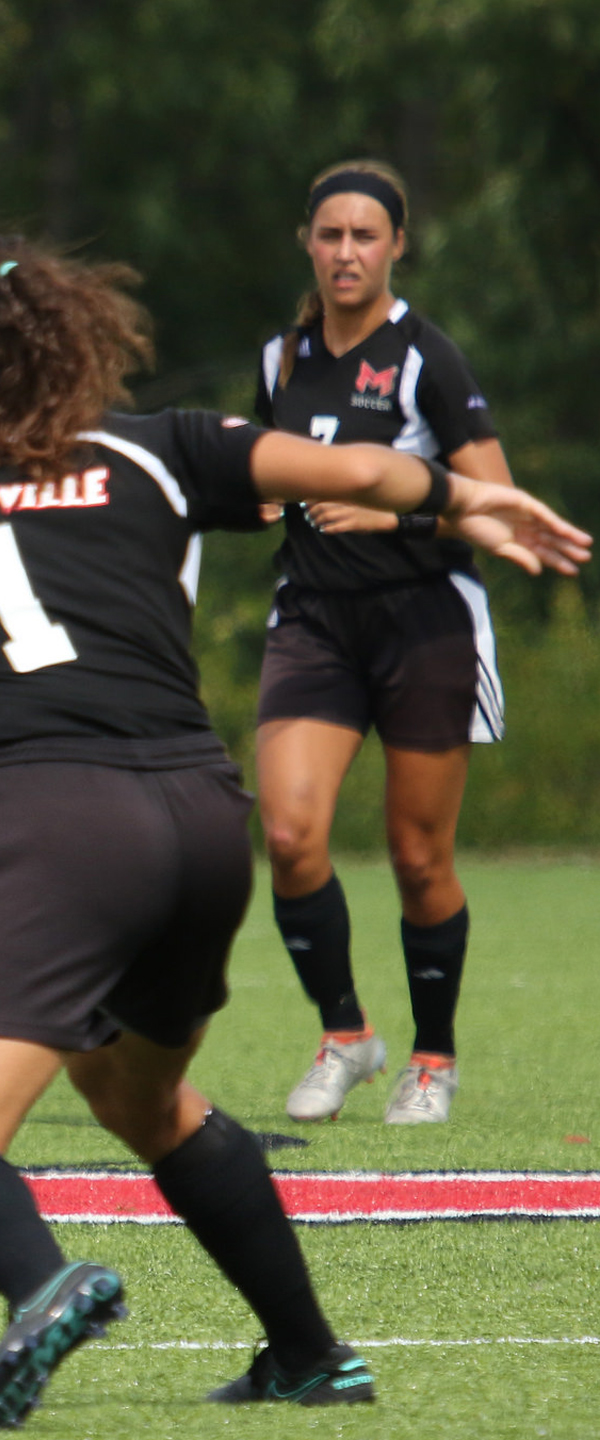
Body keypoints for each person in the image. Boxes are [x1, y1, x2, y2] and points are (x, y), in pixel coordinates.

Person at [0, 228, 585, 1427]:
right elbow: (354, 470)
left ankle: (43, 1283)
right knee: (145, 1104)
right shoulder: (160, 451)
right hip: (196, 819)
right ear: (67, 350)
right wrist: (468, 500)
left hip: (41, 822)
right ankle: (309, 1353)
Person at [253, 161, 515, 1126]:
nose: (347, 252)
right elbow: (258, 481)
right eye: (331, 235)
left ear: (398, 244)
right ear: (307, 243)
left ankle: (432, 1058)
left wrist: (394, 518)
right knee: (287, 833)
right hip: (316, 622)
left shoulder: (426, 360)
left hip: (424, 621)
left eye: (366, 236)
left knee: (417, 856)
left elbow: (498, 509)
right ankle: (344, 1034)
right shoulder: (280, 359)